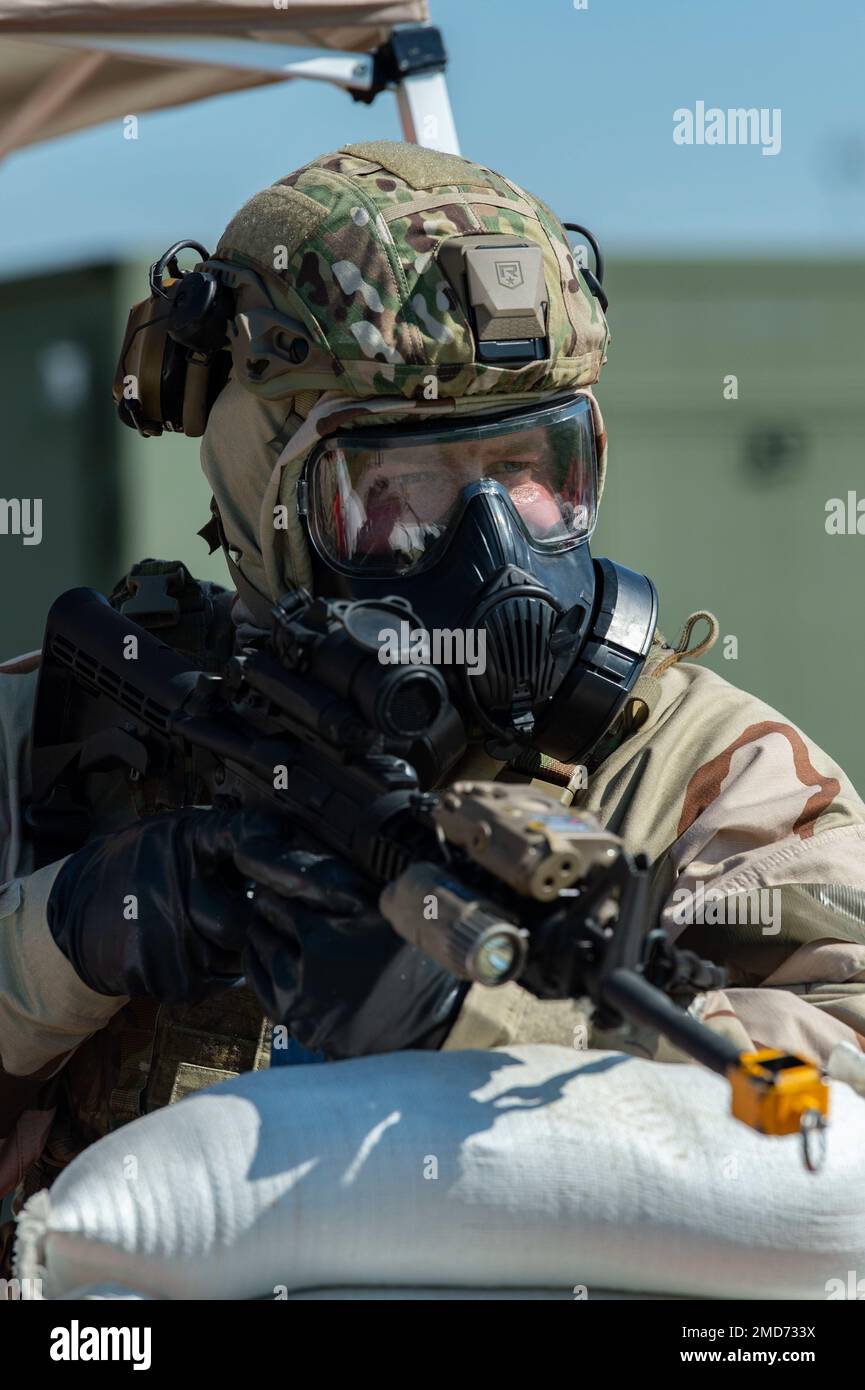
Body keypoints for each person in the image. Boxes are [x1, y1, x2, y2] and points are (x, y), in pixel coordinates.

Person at [1, 141, 863, 1274]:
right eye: (404, 491)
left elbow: (833, 1112)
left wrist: (488, 1026)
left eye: (528, 468)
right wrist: (71, 931)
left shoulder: (709, 767)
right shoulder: (65, 730)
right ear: (269, 497)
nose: (493, 550)